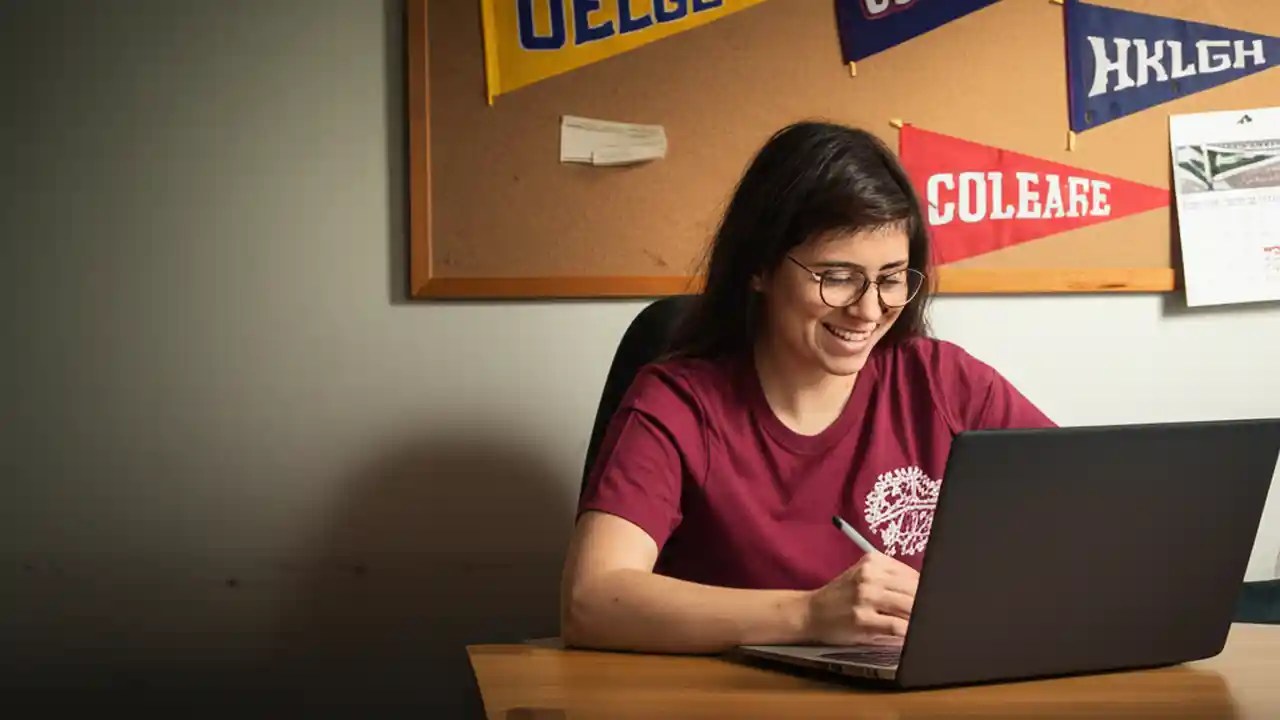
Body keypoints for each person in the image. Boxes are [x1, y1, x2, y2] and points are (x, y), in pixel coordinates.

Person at [559, 121, 1055, 655]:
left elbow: (1089, 511)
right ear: (760, 269)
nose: (868, 310)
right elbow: (592, 600)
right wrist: (809, 613)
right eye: (837, 277)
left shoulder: (944, 383)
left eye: (891, 278)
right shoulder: (679, 403)